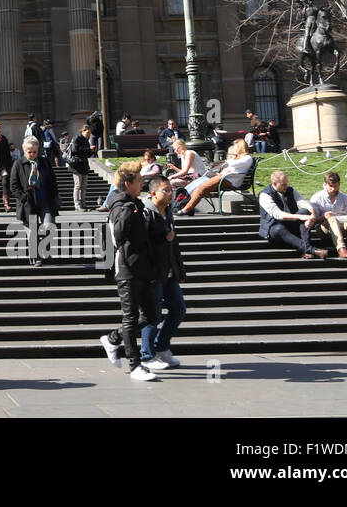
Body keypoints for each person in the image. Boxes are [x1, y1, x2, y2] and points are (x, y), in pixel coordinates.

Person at [99, 164, 160, 380]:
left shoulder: (134, 203)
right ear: (128, 185)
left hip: (142, 266)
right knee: (131, 317)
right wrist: (128, 255)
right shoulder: (122, 207)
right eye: (139, 181)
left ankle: (112, 338)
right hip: (128, 268)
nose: (142, 183)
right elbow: (118, 235)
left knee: (152, 315)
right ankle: (135, 366)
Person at [139, 176, 186, 371]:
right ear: (153, 193)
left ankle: (162, 347)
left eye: (171, 190)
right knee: (153, 315)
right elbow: (144, 244)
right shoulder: (145, 213)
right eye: (166, 190)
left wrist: (179, 268)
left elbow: (173, 243)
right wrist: (163, 239)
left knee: (178, 309)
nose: (170, 193)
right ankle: (147, 355)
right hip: (153, 272)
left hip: (168, 270)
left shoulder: (168, 212)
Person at [10, 136, 58, 266]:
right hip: (28, 204)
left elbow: (52, 180)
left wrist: (54, 196)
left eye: (34, 152)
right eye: (29, 152)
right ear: (24, 151)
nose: (32, 154)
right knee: (32, 231)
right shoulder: (18, 164)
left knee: (49, 226)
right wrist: (23, 197)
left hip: (45, 200)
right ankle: (36, 256)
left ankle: (45, 251)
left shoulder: (45, 162)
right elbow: (13, 186)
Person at [259, 169, 327, 259]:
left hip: (291, 226)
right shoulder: (265, 195)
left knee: (305, 211)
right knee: (279, 228)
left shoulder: (290, 190)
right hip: (274, 231)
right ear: (274, 183)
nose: (286, 186)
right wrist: (300, 217)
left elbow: (304, 203)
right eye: (283, 184)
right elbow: (277, 214)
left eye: (287, 183)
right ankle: (311, 250)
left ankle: (305, 249)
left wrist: (312, 216)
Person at [176, 138, 252, 216]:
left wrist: (230, 158)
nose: (234, 148)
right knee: (200, 187)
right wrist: (226, 167)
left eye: (235, 146)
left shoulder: (247, 158)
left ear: (240, 147)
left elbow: (234, 164)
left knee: (202, 188)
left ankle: (187, 208)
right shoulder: (238, 158)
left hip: (230, 181)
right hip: (224, 178)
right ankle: (186, 206)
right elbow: (231, 166)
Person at [67, 124, 94, 212]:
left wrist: (91, 151)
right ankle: (77, 204)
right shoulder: (77, 138)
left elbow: (87, 154)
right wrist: (88, 149)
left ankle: (83, 203)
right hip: (77, 165)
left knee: (84, 186)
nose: (89, 134)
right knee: (78, 185)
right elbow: (75, 150)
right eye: (87, 132)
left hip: (84, 165)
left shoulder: (86, 140)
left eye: (90, 133)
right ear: (83, 131)